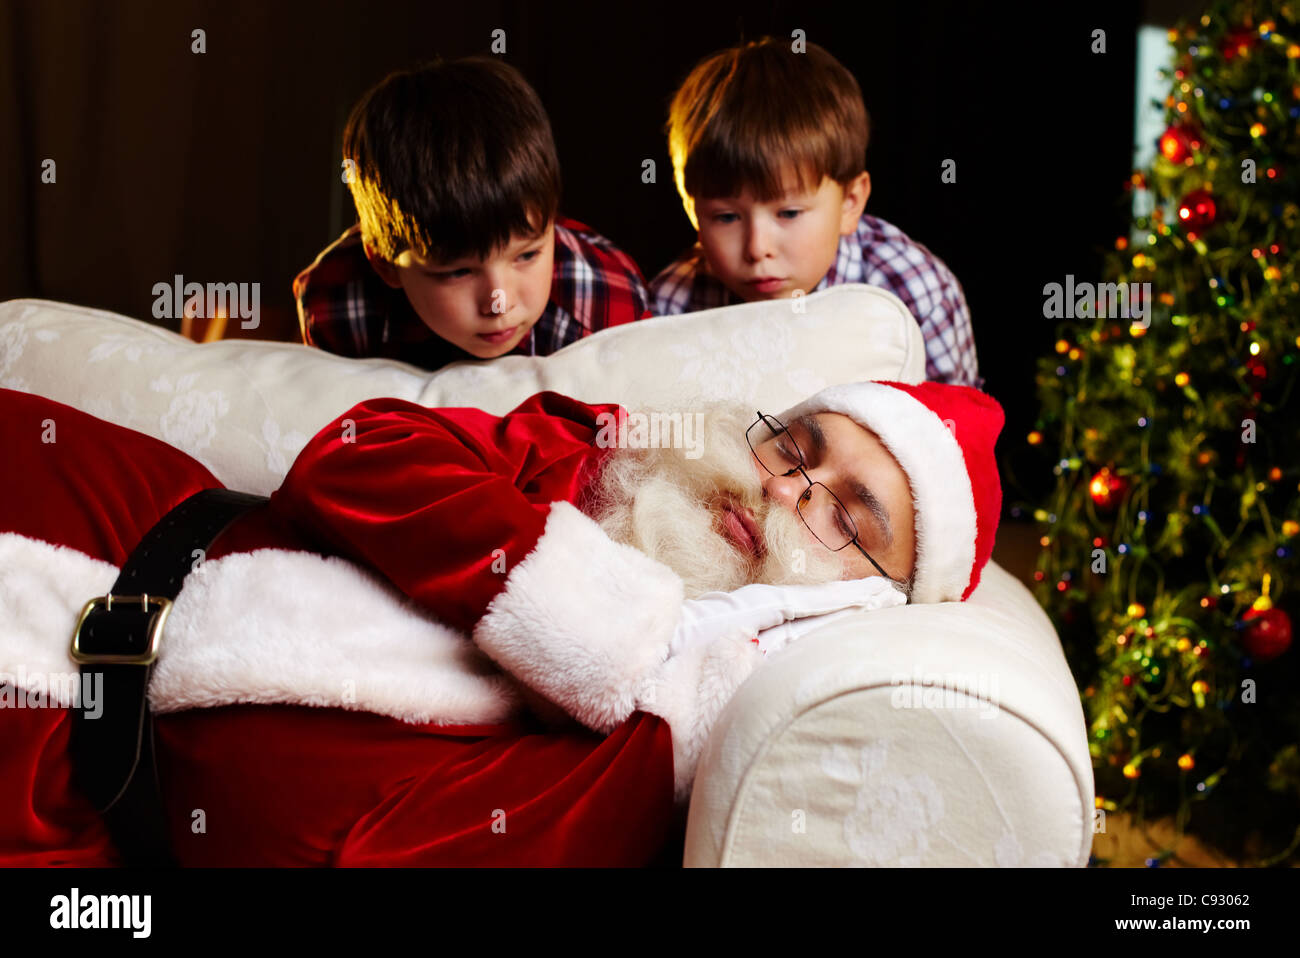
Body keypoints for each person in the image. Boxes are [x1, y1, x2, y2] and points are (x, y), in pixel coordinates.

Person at [0, 378, 1003, 866]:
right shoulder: (597, 459)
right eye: (797, 447)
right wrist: (578, 612)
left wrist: (675, 693)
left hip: (59, 794)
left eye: (843, 515)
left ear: (856, 605)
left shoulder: (677, 740)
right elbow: (354, 449)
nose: (787, 490)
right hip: (88, 505)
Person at [649, 38, 981, 387]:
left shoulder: (916, 291)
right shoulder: (673, 306)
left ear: (850, 203)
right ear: (693, 211)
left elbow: (959, 431)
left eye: (789, 213)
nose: (757, 248)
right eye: (727, 217)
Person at [295, 57, 651, 371]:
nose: (500, 302)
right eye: (458, 272)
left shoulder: (608, 308)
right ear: (385, 264)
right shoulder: (336, 303)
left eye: (527, 254)